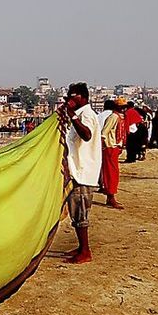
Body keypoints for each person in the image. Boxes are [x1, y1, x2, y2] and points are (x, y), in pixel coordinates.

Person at [58, 82, 101, 264]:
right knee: (76, 212)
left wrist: (73, 116)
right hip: (77, 170)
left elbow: (86, 135)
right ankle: (81, 247)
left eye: (72, 95)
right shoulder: (80, 115)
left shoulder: (87, 115)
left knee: (80, 213)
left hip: (83, 172)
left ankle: (85, 251)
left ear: (81, 97)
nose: (69, 99)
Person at [99, 98, 125, 209]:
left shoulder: (118, 117)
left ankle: (111, 196)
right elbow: (104, 132)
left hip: (113, 147)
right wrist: (106, 145)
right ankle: (110, 196)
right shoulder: (113, 117)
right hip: (110, 147)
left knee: (113, 173)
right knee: (111, 173)